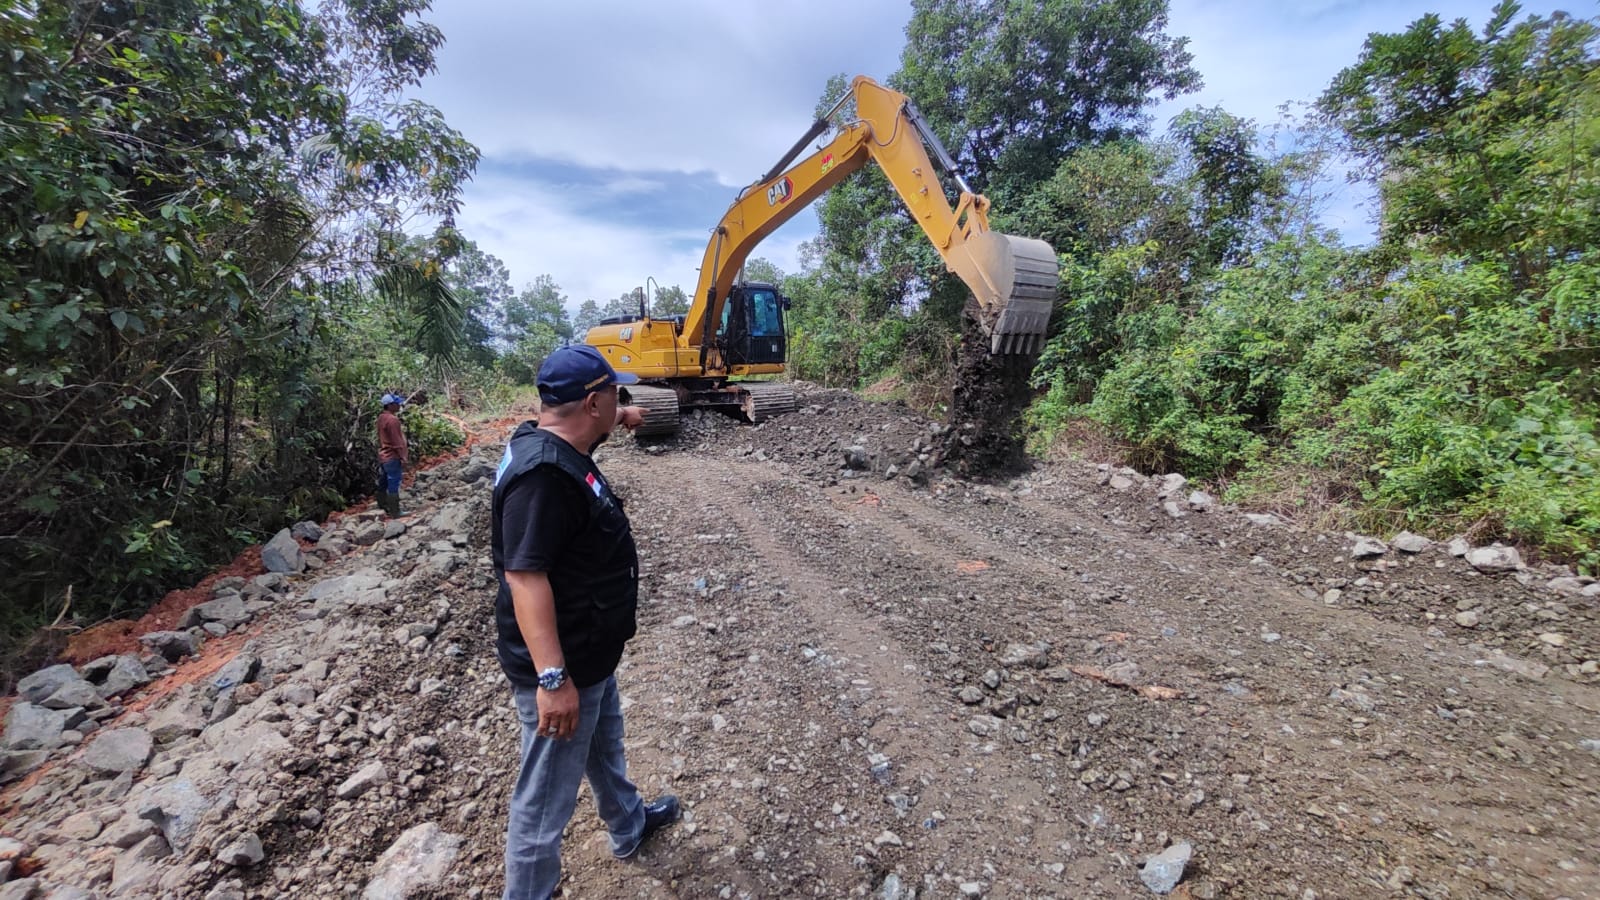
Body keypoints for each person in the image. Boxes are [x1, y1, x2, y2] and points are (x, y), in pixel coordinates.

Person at [490, 345, 678, 900]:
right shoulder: (543, 478)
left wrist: (624, 415)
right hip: (563, 664)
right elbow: (525, 578)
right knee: (544, 799)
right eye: (615, 394)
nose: (621, 402)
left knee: (603, 745)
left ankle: (628, 823)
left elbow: (584, 425)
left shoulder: (552, 440)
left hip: (589, 652)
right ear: (592, 402)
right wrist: (553, 680)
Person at [376, 392, 408, 517]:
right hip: (392, 456)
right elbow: (397, 441)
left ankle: (382, 506)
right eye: (396, 404)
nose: (399, 405)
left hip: (383, 455)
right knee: (393, 482)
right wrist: (403, 456)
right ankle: (395, 511)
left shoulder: (381, 418)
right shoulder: (393, 420)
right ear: (390, 405)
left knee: (383, 482)